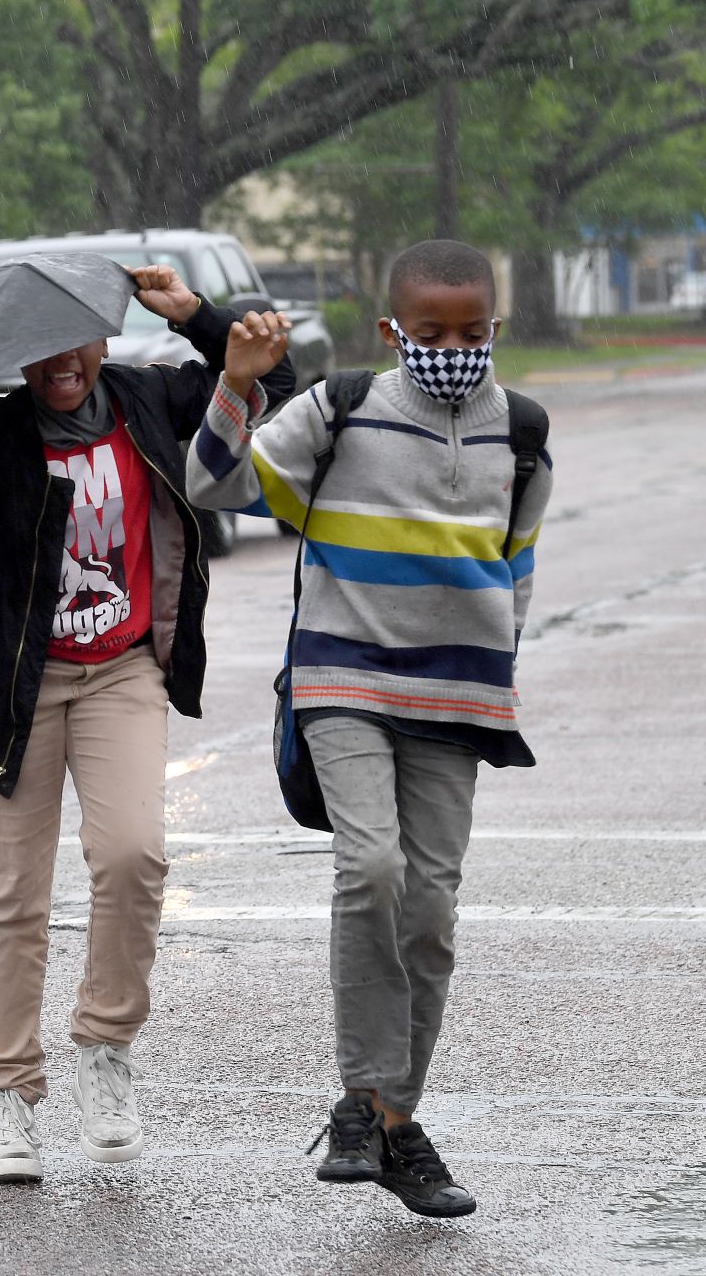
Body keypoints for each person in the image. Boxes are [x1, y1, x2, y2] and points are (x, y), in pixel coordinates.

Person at [0, 265, 295, 1183]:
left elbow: (269, 375)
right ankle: (8, 1094)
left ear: (104, 340)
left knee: (133, 856)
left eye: (74, 338)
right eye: (36, 347)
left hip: (123, 670)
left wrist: (199, 316)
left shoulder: (154, 403)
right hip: (16, 685)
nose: (59, 361)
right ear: (12, 358)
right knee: (14, 896)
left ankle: (106, 1049)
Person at [185, 240, 551, 1219]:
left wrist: (495, 682)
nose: (451, 349)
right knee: (371, 868)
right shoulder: (341, 408)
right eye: (428, 333)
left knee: (428, 916)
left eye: (471, 333)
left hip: (455, 701)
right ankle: (356, 1098)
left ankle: (395, 1125)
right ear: (391, 330)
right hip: (341, 676)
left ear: (493, 329)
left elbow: (515, 568)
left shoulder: (518, 430)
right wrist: (233, 385)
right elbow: (213, 486)